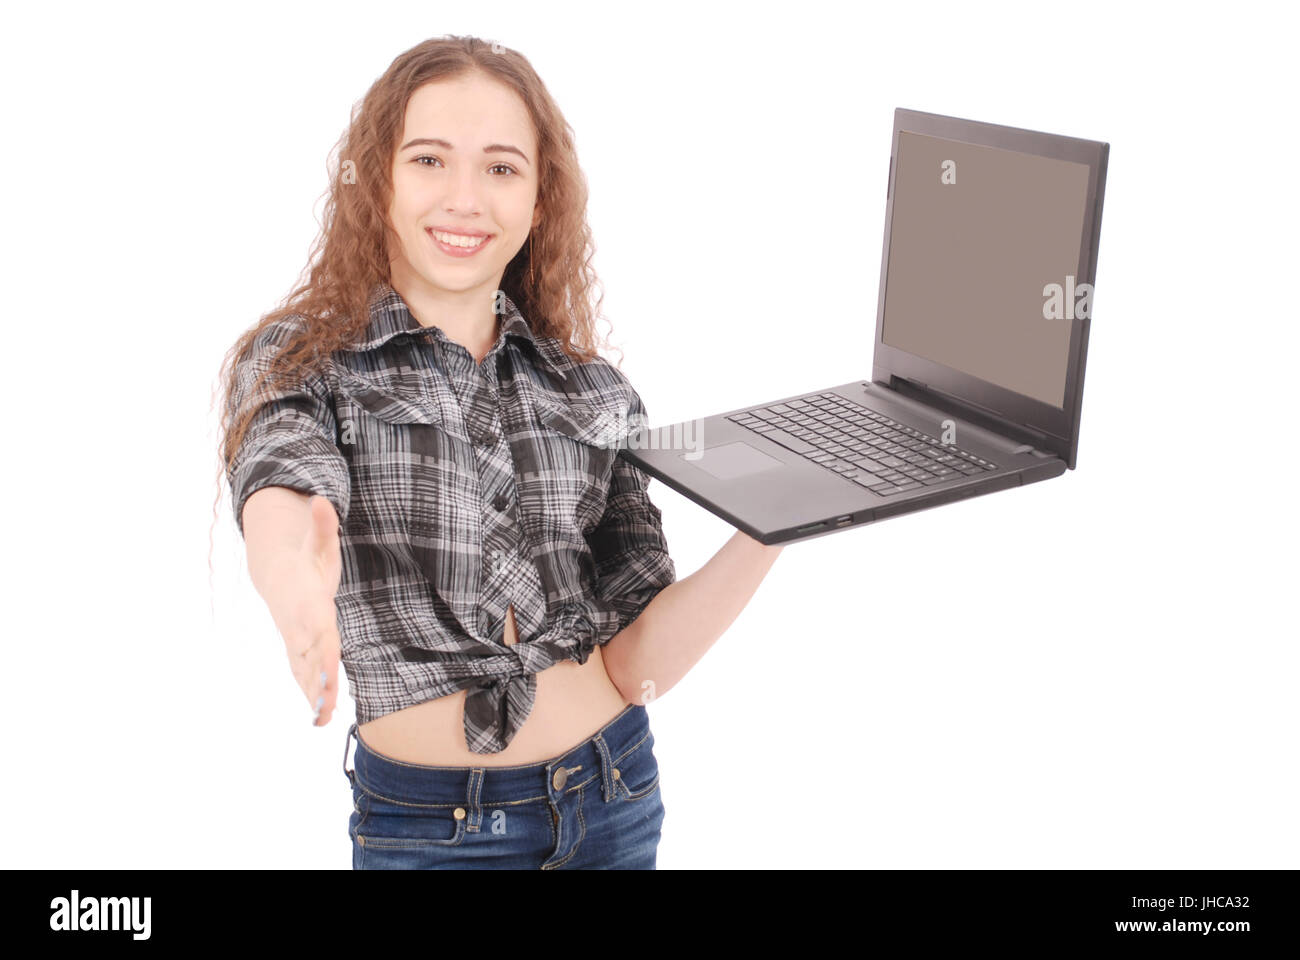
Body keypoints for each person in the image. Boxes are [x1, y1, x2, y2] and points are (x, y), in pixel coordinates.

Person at [216, 35, 784, 869]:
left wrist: (775, 525)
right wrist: (291, 576)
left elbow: (636, 666)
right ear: (379, 181)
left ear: (540, 200)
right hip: (431, 832)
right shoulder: (303, 359)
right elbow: (283, 473)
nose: (464, 200)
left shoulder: (591, 392)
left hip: (613, 799)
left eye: (501, 169)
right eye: (429, 160)